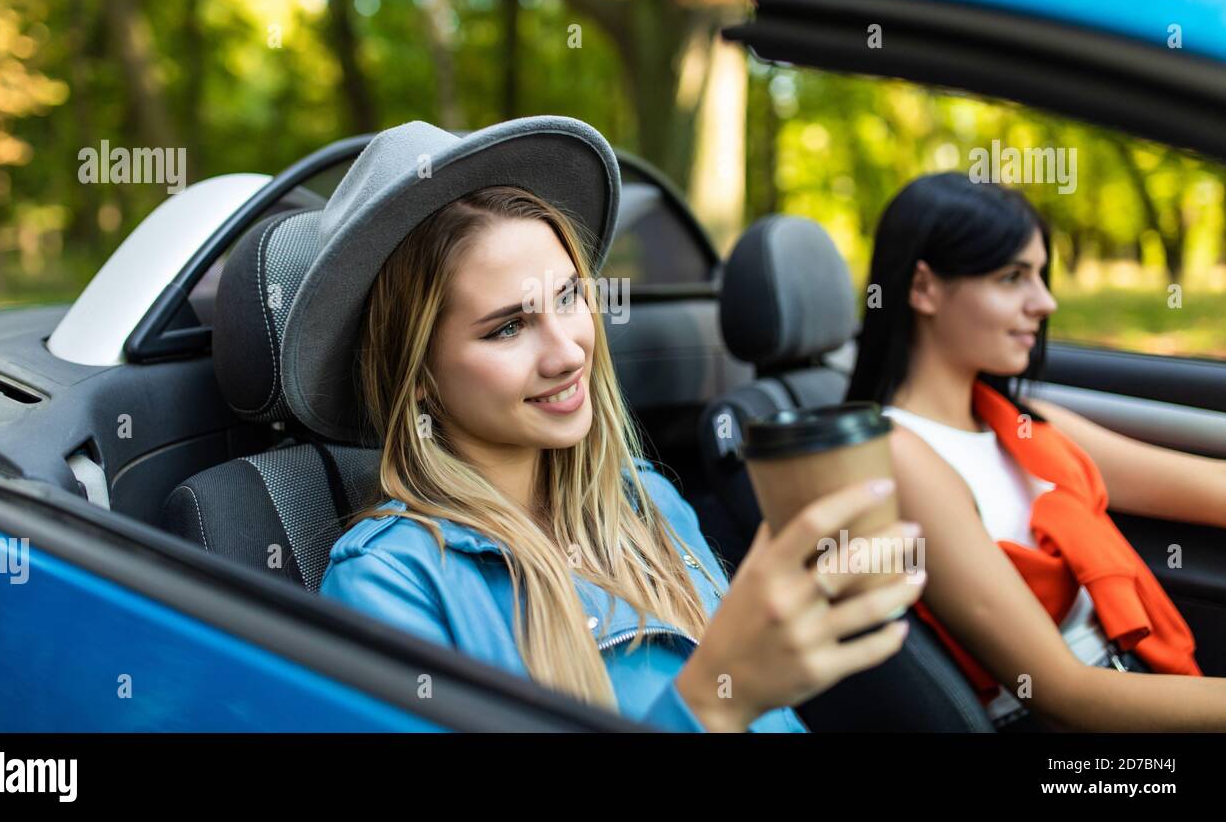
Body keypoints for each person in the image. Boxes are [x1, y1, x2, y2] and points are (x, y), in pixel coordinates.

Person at [283, 116, 923, 732]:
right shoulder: (391, 583)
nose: (567, 353)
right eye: (508, 326)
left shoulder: (647, 499)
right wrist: (711, 705)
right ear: (417, 375)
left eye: (569, 297)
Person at [846, 171, 1226, 731]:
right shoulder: (900, 456)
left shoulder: (1018, 426)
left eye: (1041, 276)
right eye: (1012, 277)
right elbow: (1065, 694)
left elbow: (1211, 488)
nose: (1044, 302)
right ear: (923, 288)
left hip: (1140, 690)